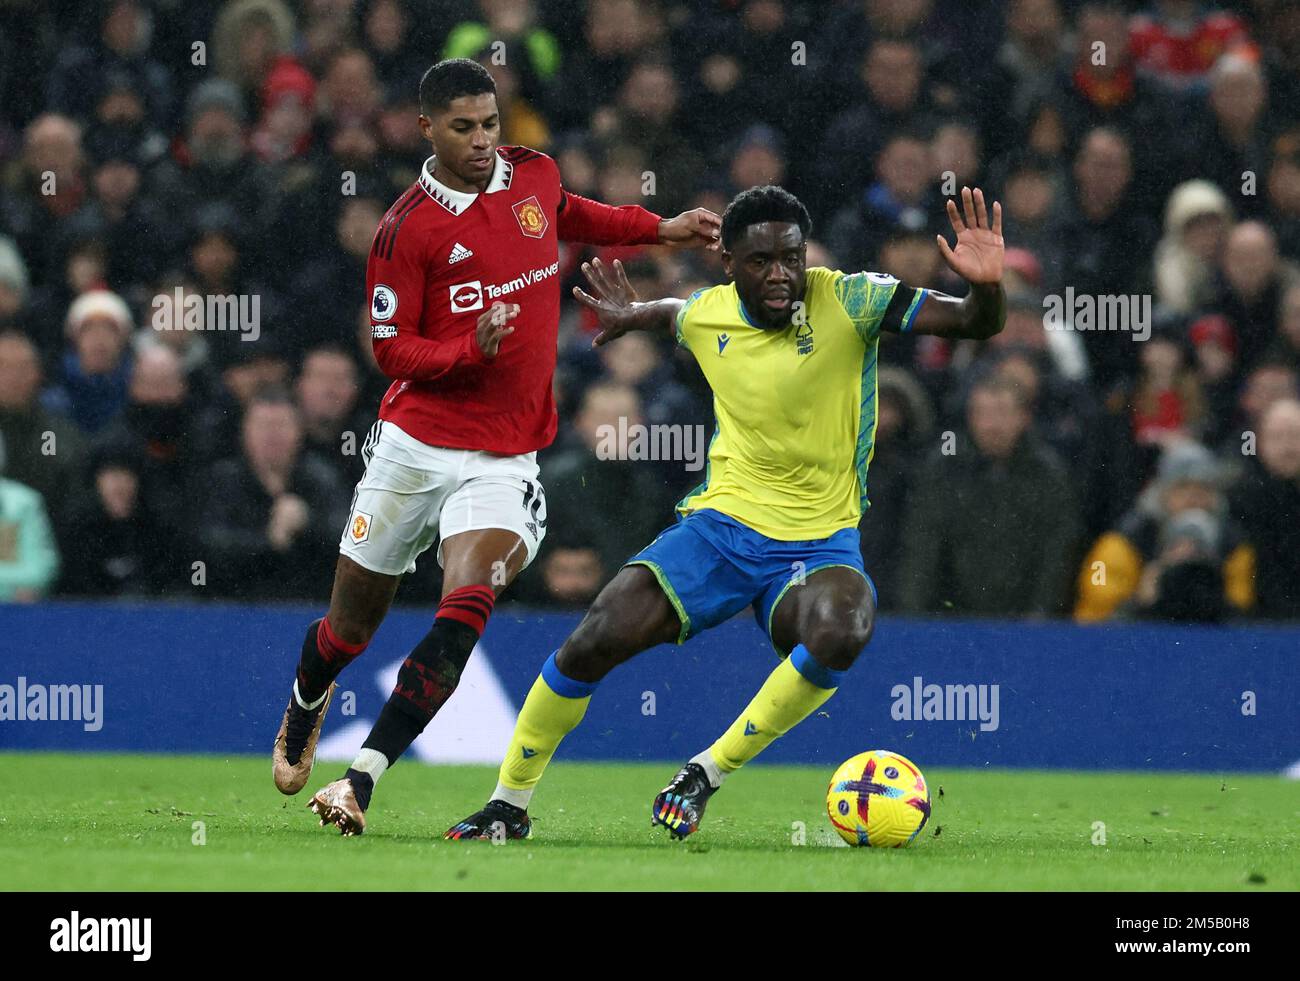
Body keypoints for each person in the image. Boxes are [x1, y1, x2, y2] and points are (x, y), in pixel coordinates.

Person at [445, 183, 1006, 842]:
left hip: (819, 543)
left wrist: (987, 287)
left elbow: (974, 322)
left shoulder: (854, 299)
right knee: (596, 635)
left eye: (791, 259)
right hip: (718, 532)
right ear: (730, 264)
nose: (781, 276)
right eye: (761, 261)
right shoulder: (710, 314)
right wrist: (637, 310)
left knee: (844, 626)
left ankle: (704, 772)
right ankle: (507, 804)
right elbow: (677, 312)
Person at [280, 59, 720, 834]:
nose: (483, 141)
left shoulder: (533, 174)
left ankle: (360, 778)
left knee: (466, 603)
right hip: (415, 444)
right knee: (348, 630)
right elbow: (390, 349)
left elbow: (573, 212)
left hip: (505, 455)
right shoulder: (404, 228)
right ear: (426, 130)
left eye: (490, 124)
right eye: (463, 128)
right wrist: (466, 353)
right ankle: (308, 699)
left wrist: (661, 228)